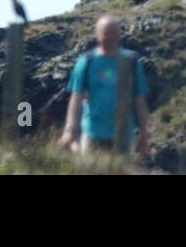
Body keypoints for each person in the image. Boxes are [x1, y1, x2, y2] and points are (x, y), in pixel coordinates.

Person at [59, 14, 151, 157]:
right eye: (105, 33)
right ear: (97, 35)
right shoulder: (86, 62)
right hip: (93, 133)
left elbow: (140, 101)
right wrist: (70, 130)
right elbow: (76, 98)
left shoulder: (131, 62)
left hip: (123, 137)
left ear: (119, 35)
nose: (109, 37)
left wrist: (144, 136)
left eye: (113, 33)